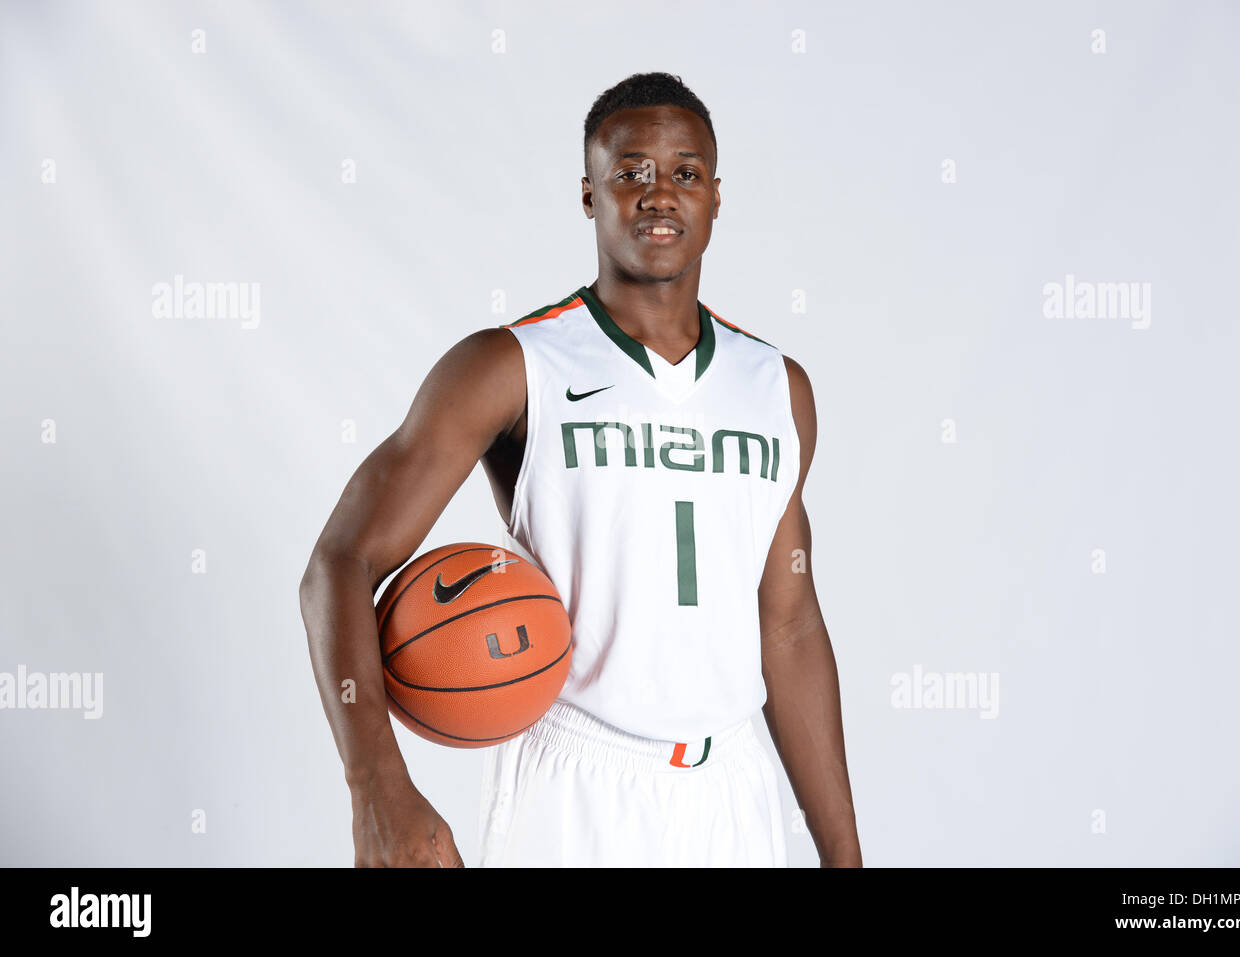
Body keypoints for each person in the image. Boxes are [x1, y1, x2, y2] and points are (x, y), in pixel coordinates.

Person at [299, 71, 861, 867]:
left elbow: (792, 623)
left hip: (736, 789)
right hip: (578, 783)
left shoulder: (778, 387)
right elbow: (338, 563)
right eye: (630, 172)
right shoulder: (509, 364)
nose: (659, 193)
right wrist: (378, 790)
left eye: (685, 173)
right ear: (590, 195)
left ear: (716, 196)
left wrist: (844, 851)